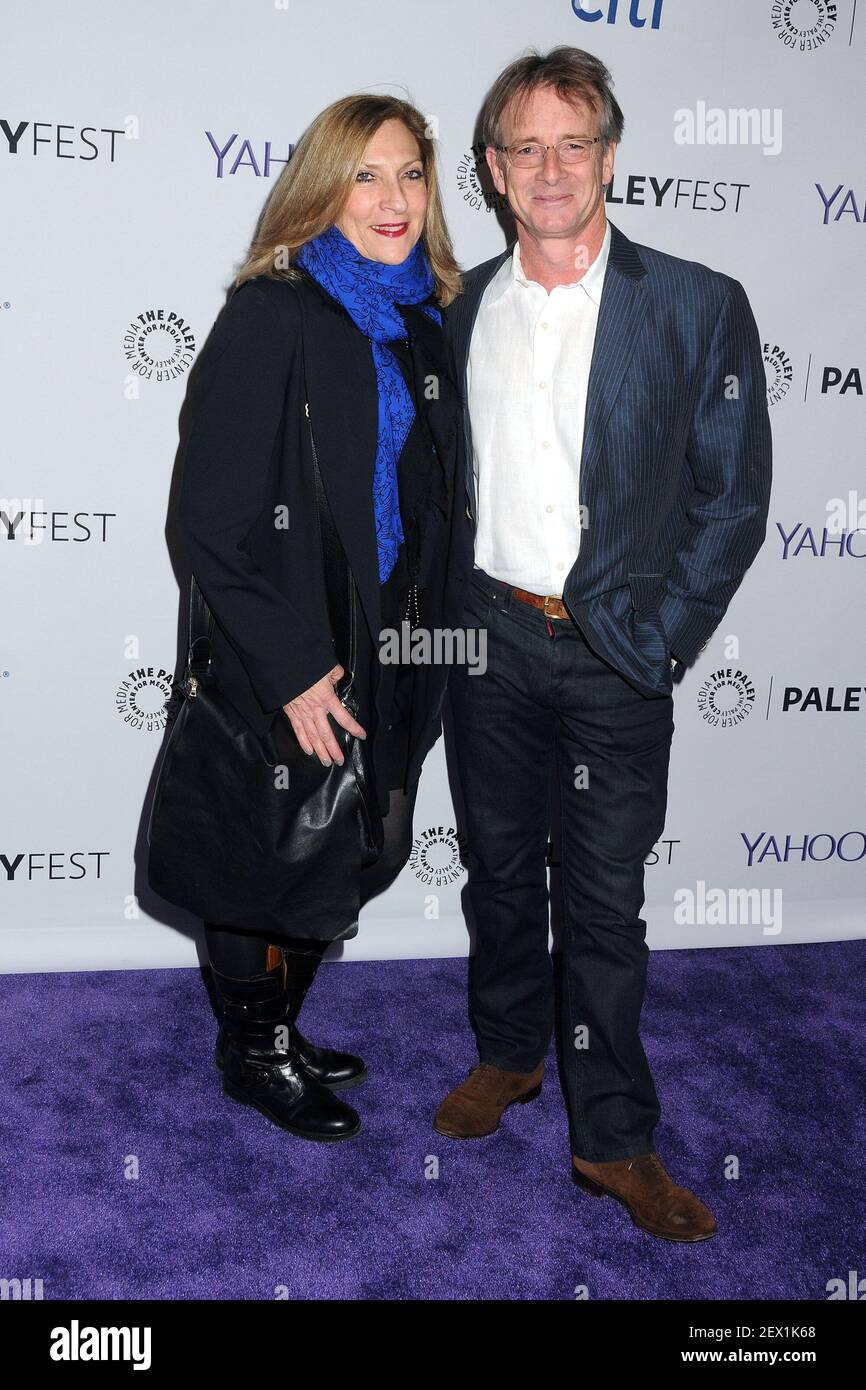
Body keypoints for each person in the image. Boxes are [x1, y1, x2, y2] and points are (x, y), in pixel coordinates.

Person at [437, 47, 772, 1240]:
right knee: (493, 872)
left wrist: (657, 643)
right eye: (524, 148)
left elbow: (730, 501)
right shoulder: (455, 307)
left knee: (602, 907)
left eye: (571, 144)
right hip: (486, 642)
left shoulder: (694, 303)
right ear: (492, 169)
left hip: (615, 656)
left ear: (609, 157)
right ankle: (508, 1052)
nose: (549, 170)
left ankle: (613, 1139)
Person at [178, 94, 472, 1144]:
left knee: (368, 845)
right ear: (322, 189)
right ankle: (255, 1050)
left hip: (396, 639)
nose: (393, 199)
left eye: (410, 174)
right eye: (365, 175)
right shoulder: (274, 312)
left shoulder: (425, 319)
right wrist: (294, 667)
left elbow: (436, 502)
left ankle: (278, 1025)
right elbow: (209, 521)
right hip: (298, 642)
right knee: (269, 856)